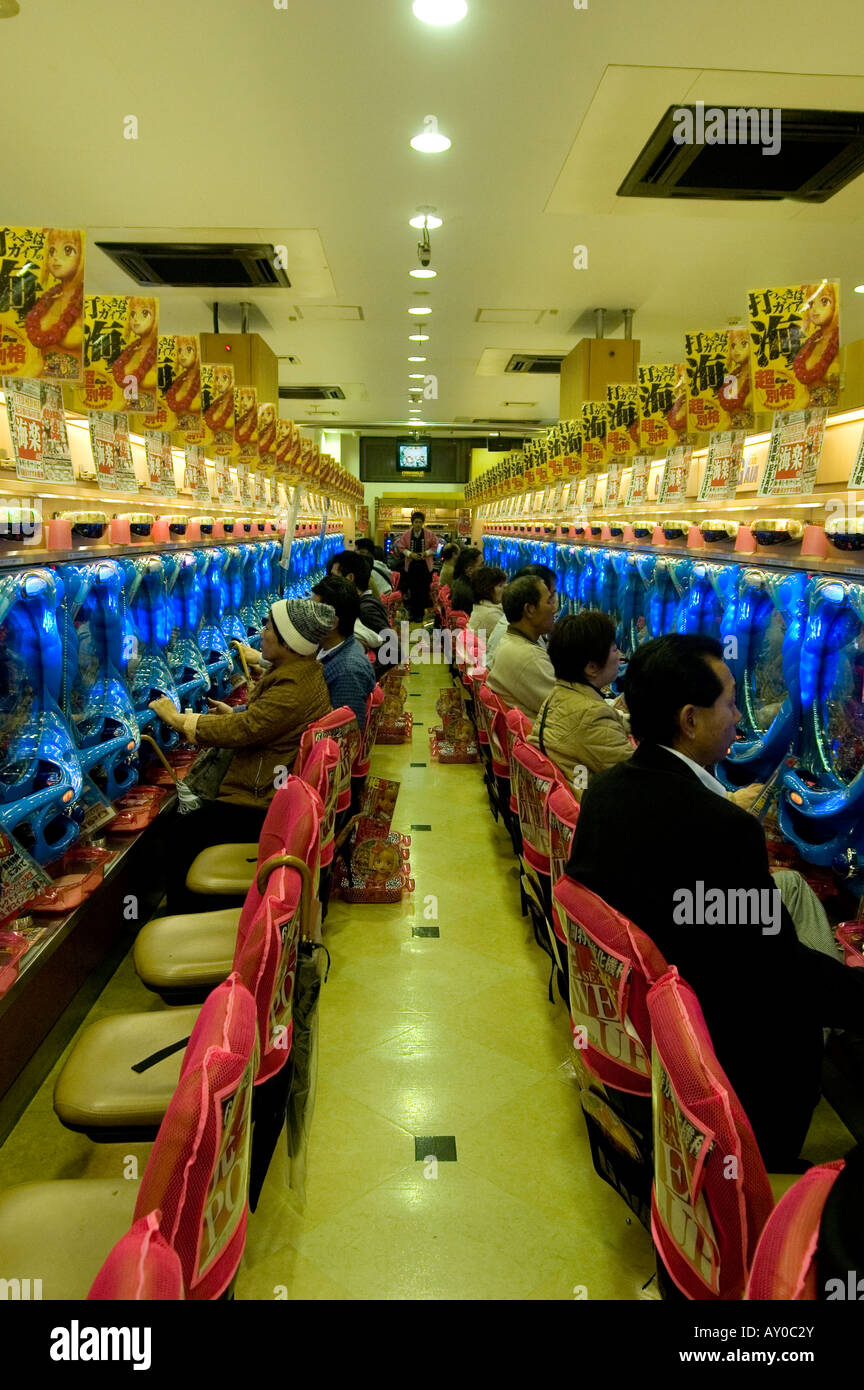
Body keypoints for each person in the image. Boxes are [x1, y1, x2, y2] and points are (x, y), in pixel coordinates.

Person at [564, 633, 864, 1168]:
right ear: (689, 719)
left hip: (643, 1015)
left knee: (789, 905)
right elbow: (777, 969)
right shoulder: (721, 829)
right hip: (712, 1039)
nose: (738, 716)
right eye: (729, 702)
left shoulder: (606, 791)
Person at [150, 598, 334, 913]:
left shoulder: (292, 688)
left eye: (268, 627)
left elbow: (246, 730)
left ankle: (188, 916)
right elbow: (257, 721)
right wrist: (231, 714)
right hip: (273, 792)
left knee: (179, 830)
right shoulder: (303, 673)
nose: (261, 633)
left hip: (260, 803)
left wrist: (179, 720)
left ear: (289, 643)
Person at [528, 612, 632, 795]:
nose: (620, 656)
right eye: (615, 649)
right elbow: (638, 779)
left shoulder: (558, 694)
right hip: (594, 811)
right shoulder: (592, 716)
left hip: (577, 793)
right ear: (591, 667)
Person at [311, 574, 378, 732]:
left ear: (332, 623)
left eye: (313, 613)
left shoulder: (347, 670)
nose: (307, 619)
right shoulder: (329, 649)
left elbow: (347, 735)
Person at [486, 574, 556, 721]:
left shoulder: (512, 642)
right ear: (529, 610)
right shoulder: (529, 657)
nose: (554, 609)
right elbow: (568, 711)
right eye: (549, 601)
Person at [486, 563, 558, 660]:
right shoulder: (530, 657)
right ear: (529, 608)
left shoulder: (523, 628)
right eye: (549, 599)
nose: (554, 608)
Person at [327, 550, 391, 648]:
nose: (330, 581)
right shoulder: (361, 604)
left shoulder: (366, 609)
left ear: (350, 578)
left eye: (334, 576)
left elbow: (394, 652)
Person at [396, 511, 440, 621]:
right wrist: (411, 554)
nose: (418, 524)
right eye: (416, 522)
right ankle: (413, 613)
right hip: (411, 566)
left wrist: (425, 553)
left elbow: (435, 547)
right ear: (412, 523)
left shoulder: (429, 534)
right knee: (413, 590)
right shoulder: (406, 534)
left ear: (423, 523)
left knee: (424, 590)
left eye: (420, 522)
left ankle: (421, 614)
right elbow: (401, 547)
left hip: (425, 566)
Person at [467, 566, 507, 665]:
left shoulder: (481, 606)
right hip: (489, 665)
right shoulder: (491, 615)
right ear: (487, 589)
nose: (504, 589)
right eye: (500, 586)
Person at [449, 547, 482, 617]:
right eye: (481, 565)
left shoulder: (459, 581)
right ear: (470, 570)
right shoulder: (467, 592)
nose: (484, 569)